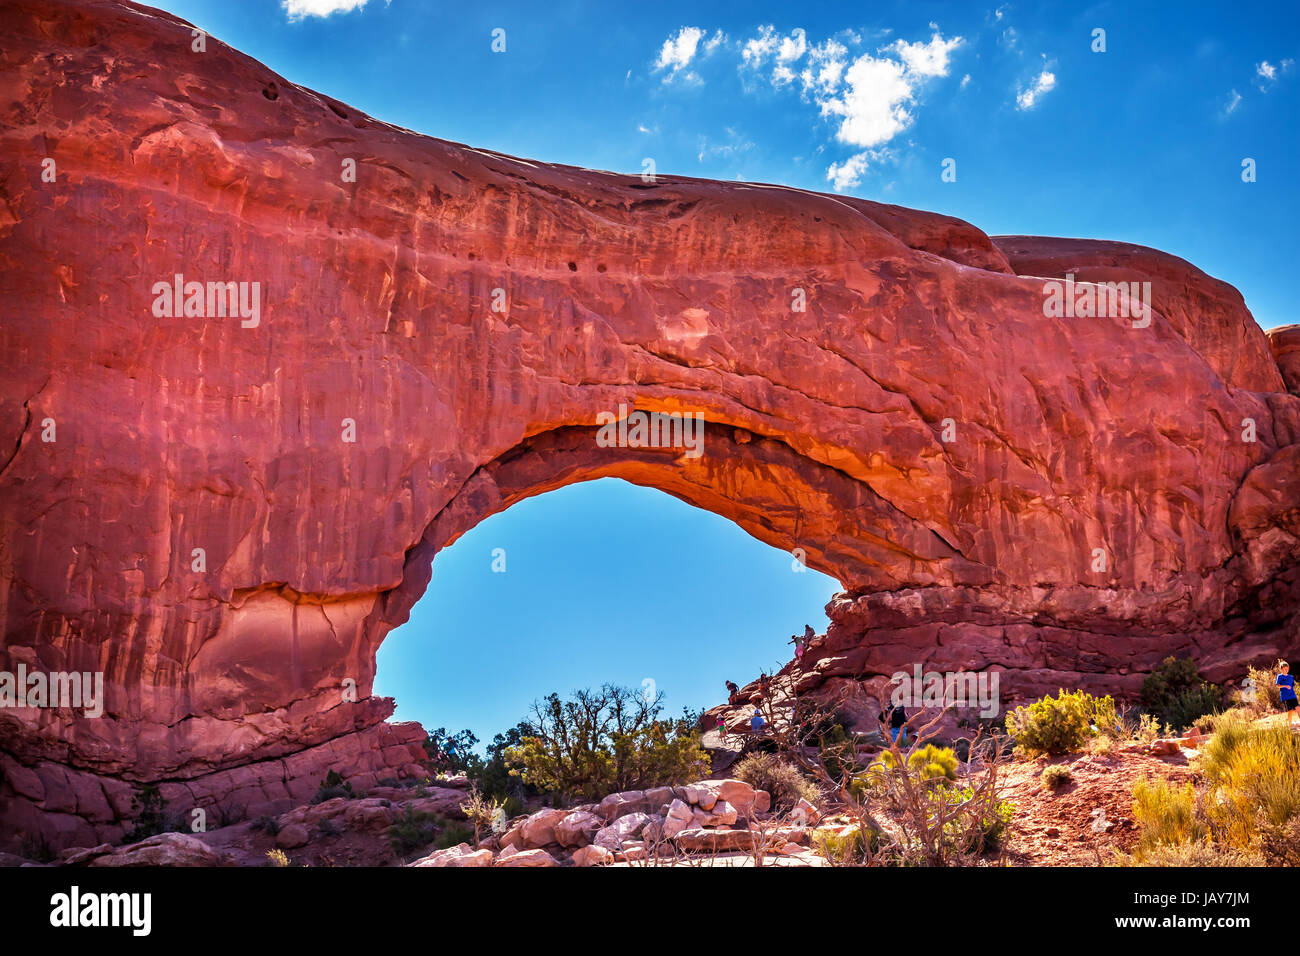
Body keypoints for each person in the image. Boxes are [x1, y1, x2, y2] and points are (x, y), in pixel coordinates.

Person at [1278, 662, 1298, 728]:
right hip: (1285, 696)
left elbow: (1292, 686)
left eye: (1287, 669)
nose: (1286, 670)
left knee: (1298, 708)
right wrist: (1285, 686)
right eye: (1284, 669)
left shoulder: (1291, 677)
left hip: (1292, 695)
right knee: (1290, 710)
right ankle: (1290, 725)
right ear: (1281, 669)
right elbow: (1278, 686)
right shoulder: (1280, 676)